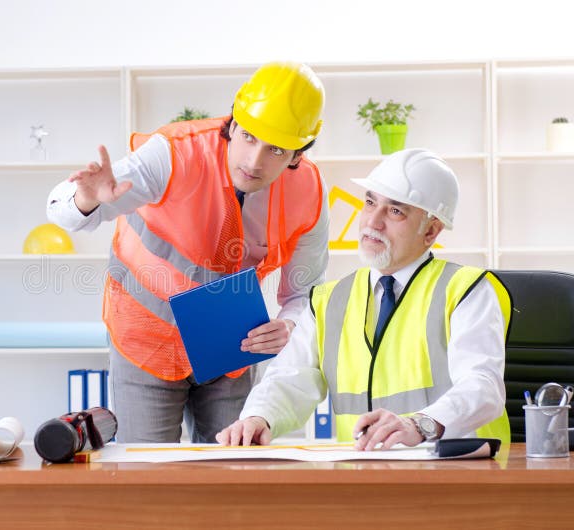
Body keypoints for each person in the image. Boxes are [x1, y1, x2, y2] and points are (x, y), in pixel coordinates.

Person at [47, 62, 330, 443]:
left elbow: (305, 290)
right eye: (248, 136)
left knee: (230, 477)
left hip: (231, 346)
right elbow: (62, 211)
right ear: (232, 123)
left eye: (276, 149)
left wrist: (290, 325)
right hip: (147, 340)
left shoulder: (308, 190)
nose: (254, 160)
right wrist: (85, 199)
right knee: (150, 481)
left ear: (298, 155)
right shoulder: (174, 153)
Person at [216, 148, 512, 450]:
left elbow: (483, 387)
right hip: (364, 472)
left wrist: (420, 424)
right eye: (370, 203)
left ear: (431, 230)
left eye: (395, 211)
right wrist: (259, 417)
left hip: (457, 474)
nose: (373, 222)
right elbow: (290, 378)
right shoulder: (329, 299)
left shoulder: (465, 290)